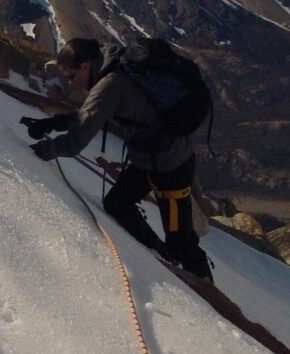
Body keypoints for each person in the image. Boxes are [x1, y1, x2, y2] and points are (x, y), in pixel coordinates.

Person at [24, 37, 213, 281]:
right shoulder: (113, 66)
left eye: (71, 77)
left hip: (170, 166)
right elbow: (95, 114)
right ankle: (161, 255)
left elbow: (76, 142)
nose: (72, 85)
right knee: (117, 204)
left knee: (181, 241)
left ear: (85, 66)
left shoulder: (109, 84)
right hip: (151, 158)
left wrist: (42, 150)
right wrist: (55, 122)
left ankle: (212, 297)